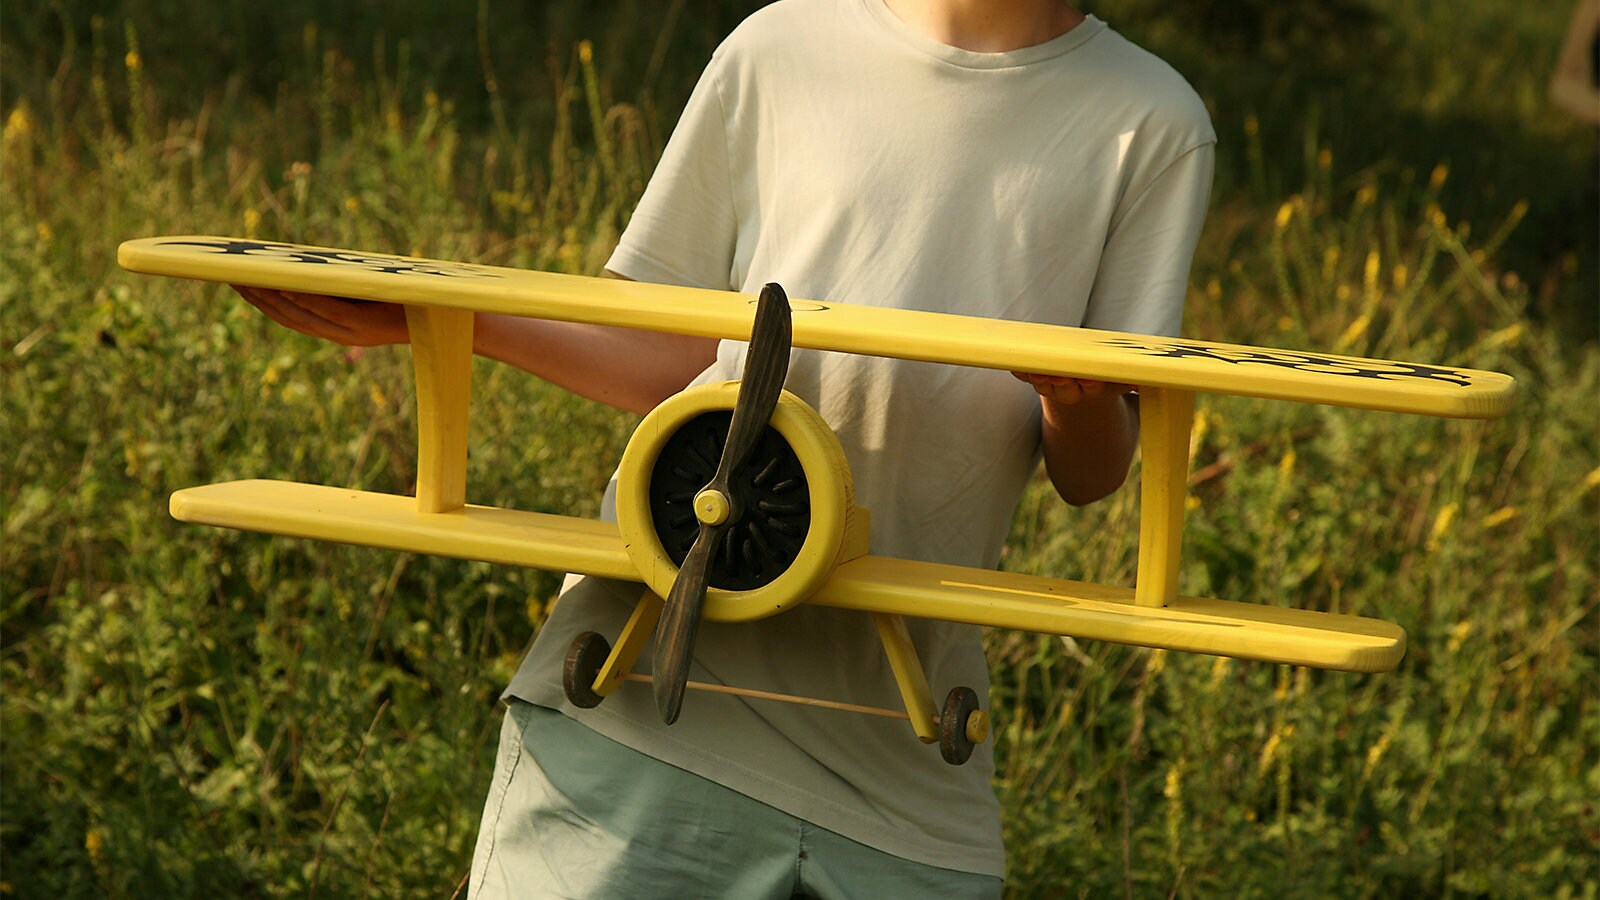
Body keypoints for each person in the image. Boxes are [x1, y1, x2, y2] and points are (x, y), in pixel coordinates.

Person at [237, 1, 1214, 895]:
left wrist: (1077, 400)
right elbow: (664, 350)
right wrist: (444, 319)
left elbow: (1093, 471)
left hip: (908, 758)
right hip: (631, 697)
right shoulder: (778, 47)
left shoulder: (1152, 120)